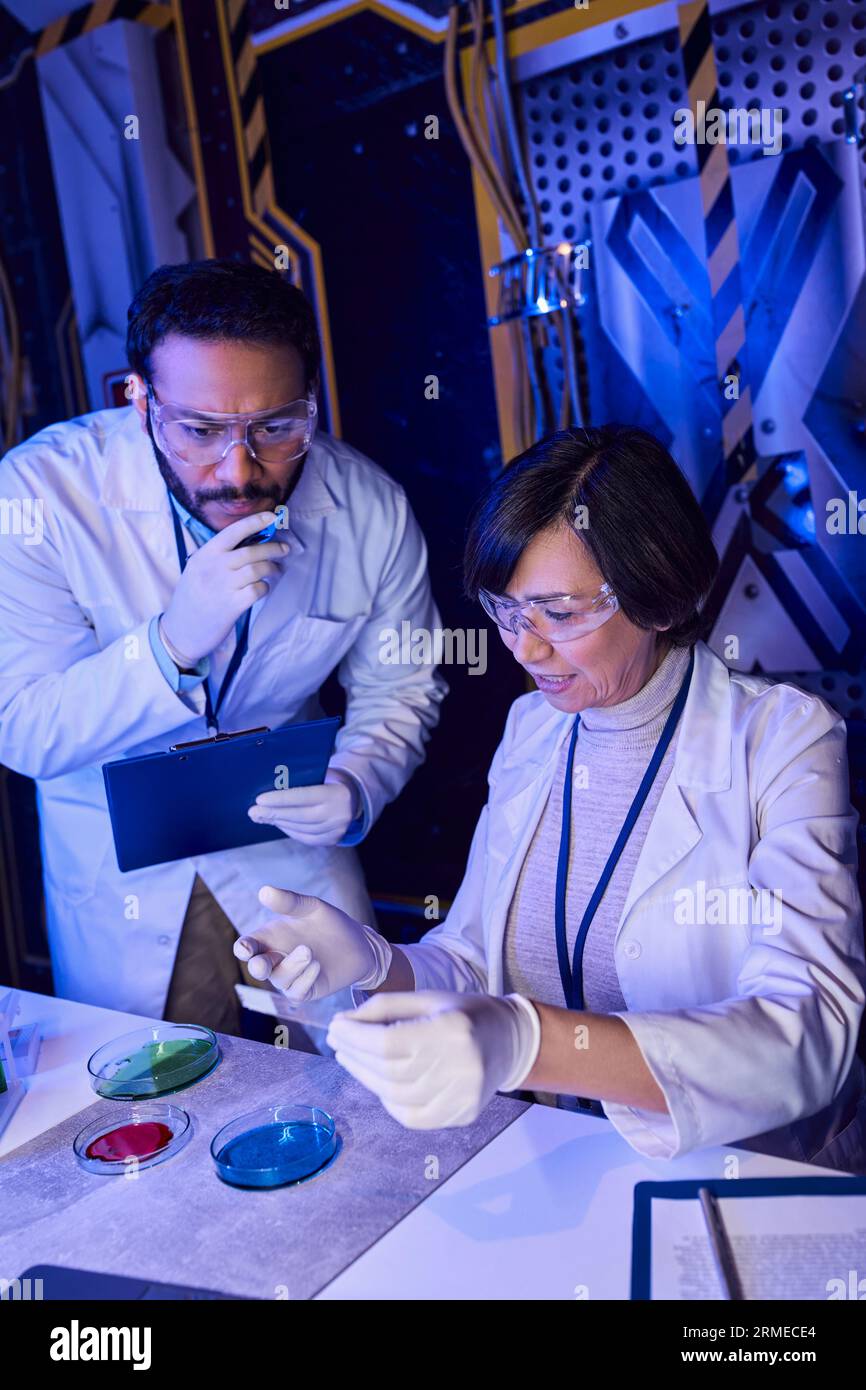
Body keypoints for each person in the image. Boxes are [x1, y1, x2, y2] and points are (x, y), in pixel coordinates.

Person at [235, 425, 866, 1171]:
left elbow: (809, 1037)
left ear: (660, 595)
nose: (524, 649)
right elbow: (474, 961)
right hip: (560, 1162)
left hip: (733, 1172)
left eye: (559, 615)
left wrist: (530, 1043)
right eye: (506, 611)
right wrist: (376, 964)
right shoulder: (533, 727)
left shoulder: (782, 742)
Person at [0, 259, 446, 1042]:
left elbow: (403, 684)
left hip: (294, 847)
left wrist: (360, 781)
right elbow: (22, 726)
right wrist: (171, 642)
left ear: (312, 400)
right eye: (200, 430)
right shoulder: (38, 497)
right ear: (138, 400)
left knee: (362, 1082)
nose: (239, 469)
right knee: (150, 1109)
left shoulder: (369, 508)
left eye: (276, 426)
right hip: (119, 873)